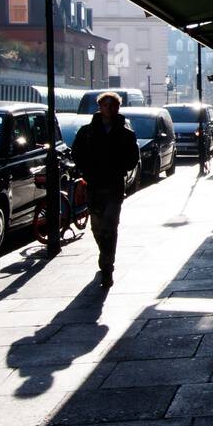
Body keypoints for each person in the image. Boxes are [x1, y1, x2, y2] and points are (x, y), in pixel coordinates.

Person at [70, 91, 140, 288]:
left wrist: (120, 168)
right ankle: (105, 255)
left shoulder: (126, 134)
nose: (110, 109)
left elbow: (133, 158)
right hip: (93, 184)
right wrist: (86, 171)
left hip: (114, 185)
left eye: (114, 105)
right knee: (97, 227)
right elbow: (77, 154)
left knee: (110, 226)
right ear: (99, 107)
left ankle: (107, 267)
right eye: (106, 105)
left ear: (118, 108)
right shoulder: (87, 132)